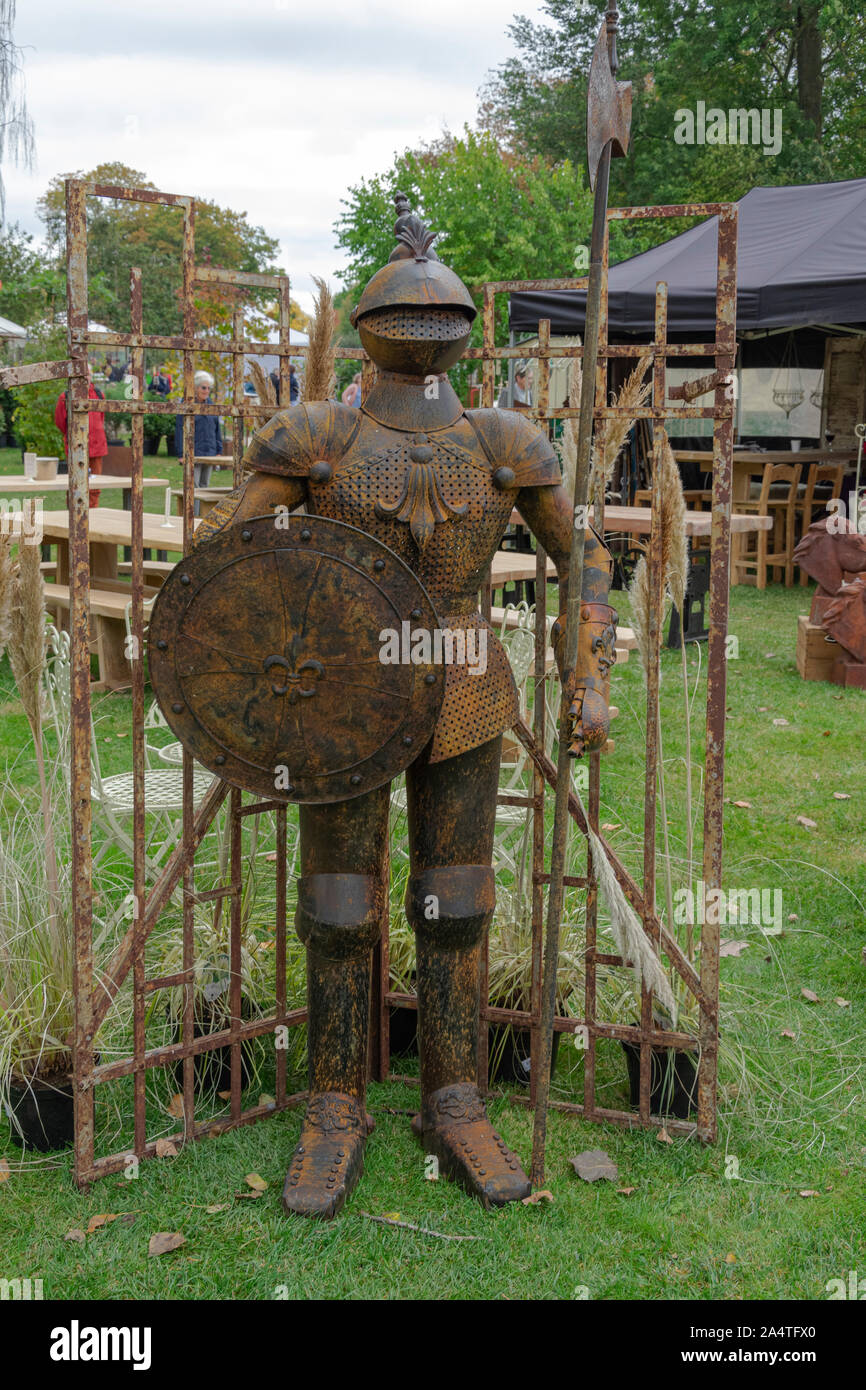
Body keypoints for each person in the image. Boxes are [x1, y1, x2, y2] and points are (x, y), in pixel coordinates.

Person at [181, 195, 615, 1220]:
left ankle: (451, 1096)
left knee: (452, 901)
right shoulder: (315, 434)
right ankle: (335, 1099)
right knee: (338, 903)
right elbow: (222, 567)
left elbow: (583, 553)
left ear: (463, 330)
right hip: (343, 693)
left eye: (441, 316)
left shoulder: (506, 438)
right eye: (406, 315)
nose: (423, 329)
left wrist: (587, 669)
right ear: (377, 327)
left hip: (461, 681)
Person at [54, 362, 107, 508]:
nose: (85, 378)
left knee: (95, 486)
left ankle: (93, 514)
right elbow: (60, 422)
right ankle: (73, 517)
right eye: (81, 375)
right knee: (75, 484)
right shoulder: (65, 396)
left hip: (96, 448)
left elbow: (101, 418)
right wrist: (73, 437)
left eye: (87, 374)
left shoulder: (99, 394)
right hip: (76, 448)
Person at [174, 371, 223, 505]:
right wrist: (181, 453)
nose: (206, 391)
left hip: (210, 453)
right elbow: (179, 430)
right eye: (203, 387)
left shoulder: (212, 406)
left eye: (208, 388)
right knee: (193, 488)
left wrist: (219, 450)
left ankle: (201, 518)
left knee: (205, 486)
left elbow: (217, 429)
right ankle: (192, 517)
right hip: (193, 453)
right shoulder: (186, 405)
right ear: (195, 388)